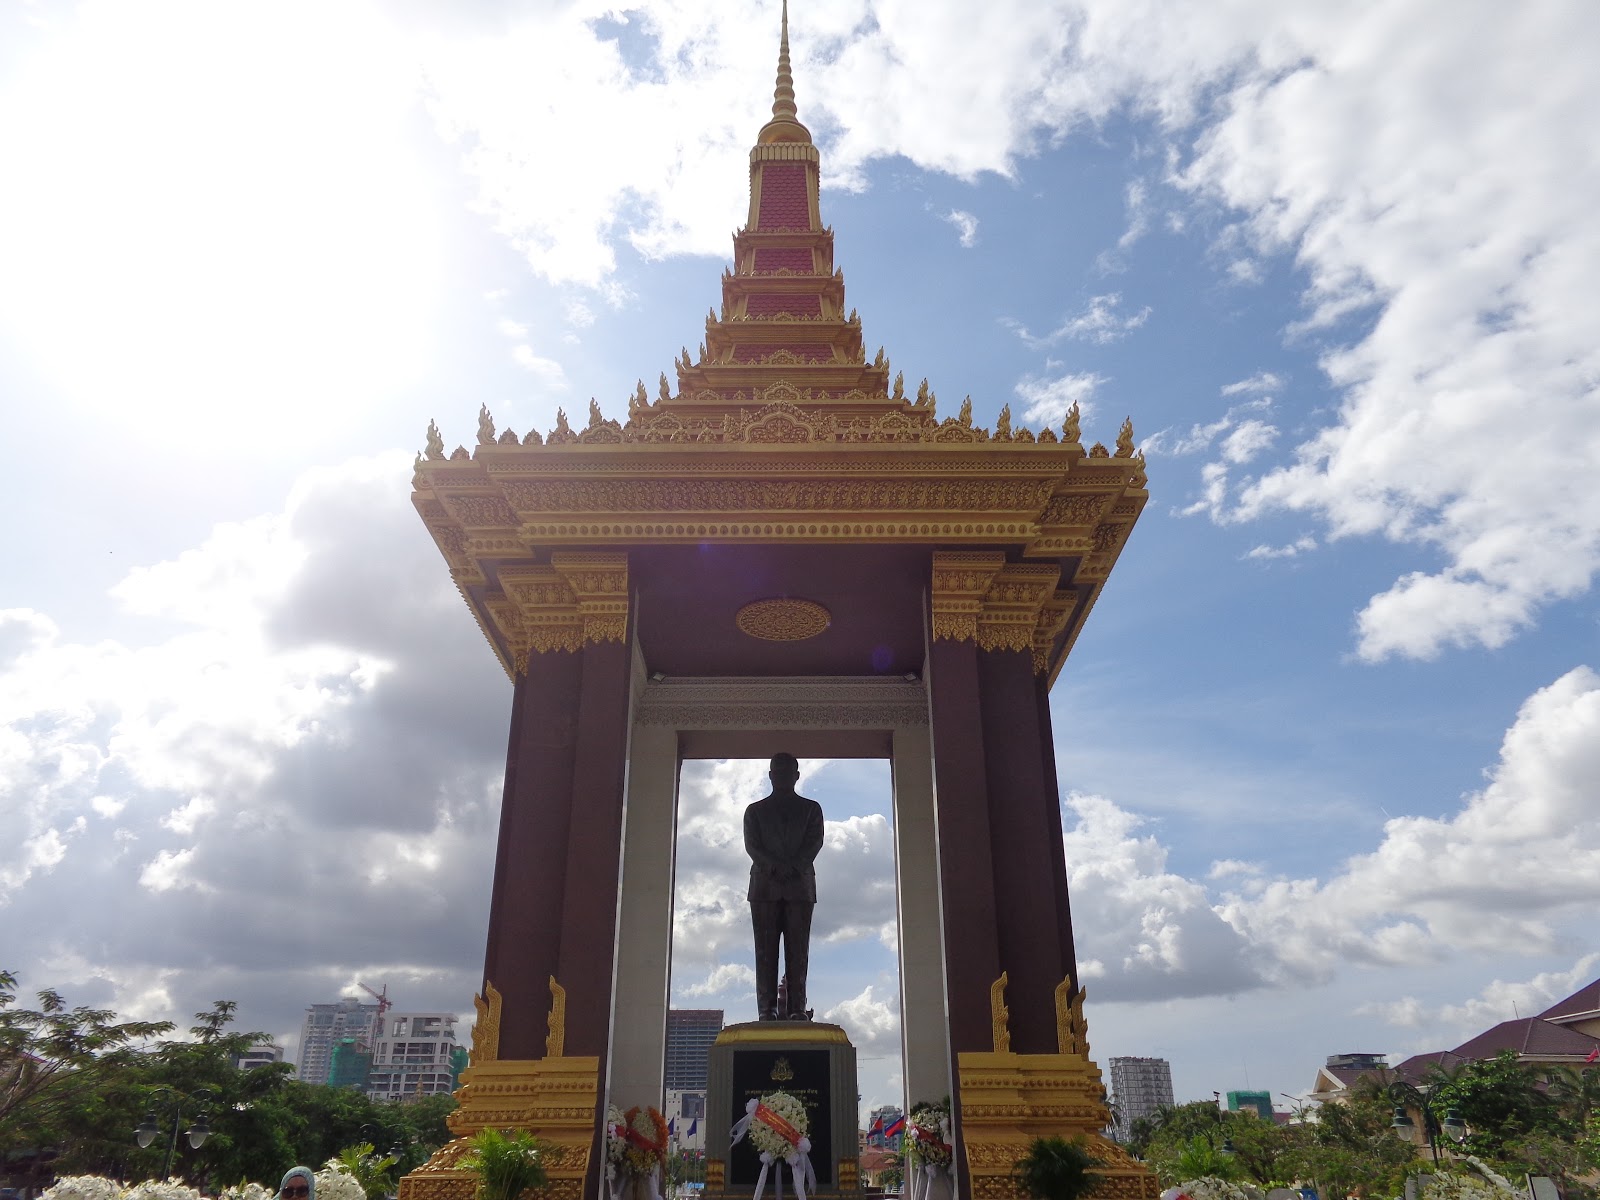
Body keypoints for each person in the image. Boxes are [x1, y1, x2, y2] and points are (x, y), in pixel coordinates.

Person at [744, 752, 825, 1021]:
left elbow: (815, 841)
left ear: (797, 776)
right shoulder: (754, 811)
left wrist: (793, 867)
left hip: (799, 886)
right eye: (777, 772)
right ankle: (766, 1010)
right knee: (764, 952)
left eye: (787, 772)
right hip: (765, 888)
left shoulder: (811, 809)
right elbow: (752, 845)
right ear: (770, 776)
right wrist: (775, 868)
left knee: (798, 951)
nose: (781, 777)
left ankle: (797, 1009)